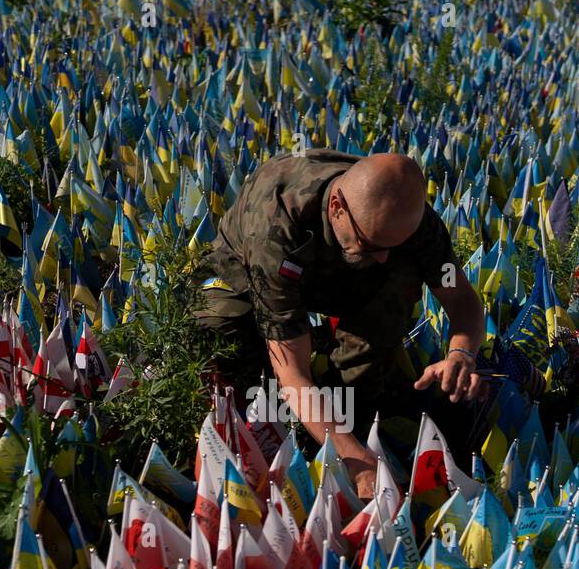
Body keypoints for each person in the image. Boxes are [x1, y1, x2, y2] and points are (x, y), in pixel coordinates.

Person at [195, 149, 493, 499]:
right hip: (250, 275)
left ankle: (353, 386)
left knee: (397, 283)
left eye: (392, 246)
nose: (383, 257)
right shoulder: (276, 223)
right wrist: (355, 461)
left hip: (341, 272)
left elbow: (462, 300)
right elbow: (292, 372)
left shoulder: (409, 221)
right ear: (337, 206)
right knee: (218, 330)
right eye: (372, 244)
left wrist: (461, 353)